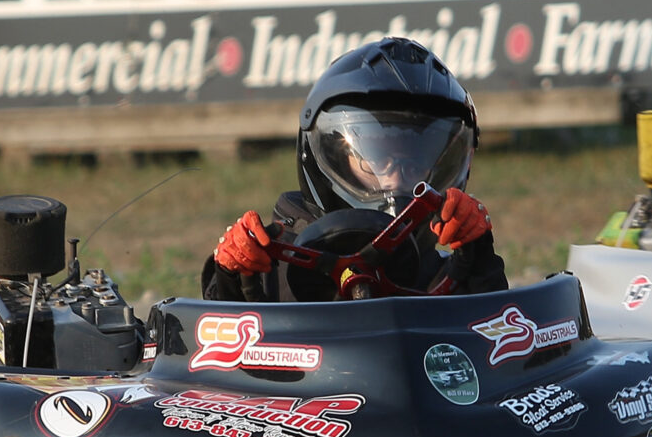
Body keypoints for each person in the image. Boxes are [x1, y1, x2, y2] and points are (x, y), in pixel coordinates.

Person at [204, 36, 507, 300]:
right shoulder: (271, 268)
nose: (394, 181)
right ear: (332, 156)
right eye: (375, 162)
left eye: (414, 166)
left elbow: (493, 332)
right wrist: (230, 277)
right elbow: (215, 336)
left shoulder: (442, 274)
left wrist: (478, 255)